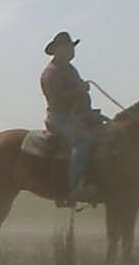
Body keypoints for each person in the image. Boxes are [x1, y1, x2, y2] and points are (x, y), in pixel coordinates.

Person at [40, 30, 103, 203]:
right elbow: (56, 99)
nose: (71, 50)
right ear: (57, 50)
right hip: (59, 117)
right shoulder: (51, 73)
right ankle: (75, 187)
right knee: (82, 141)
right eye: (67, 47)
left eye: (71, 47)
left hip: (77, 115)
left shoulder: (70, 69)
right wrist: (79, 90)